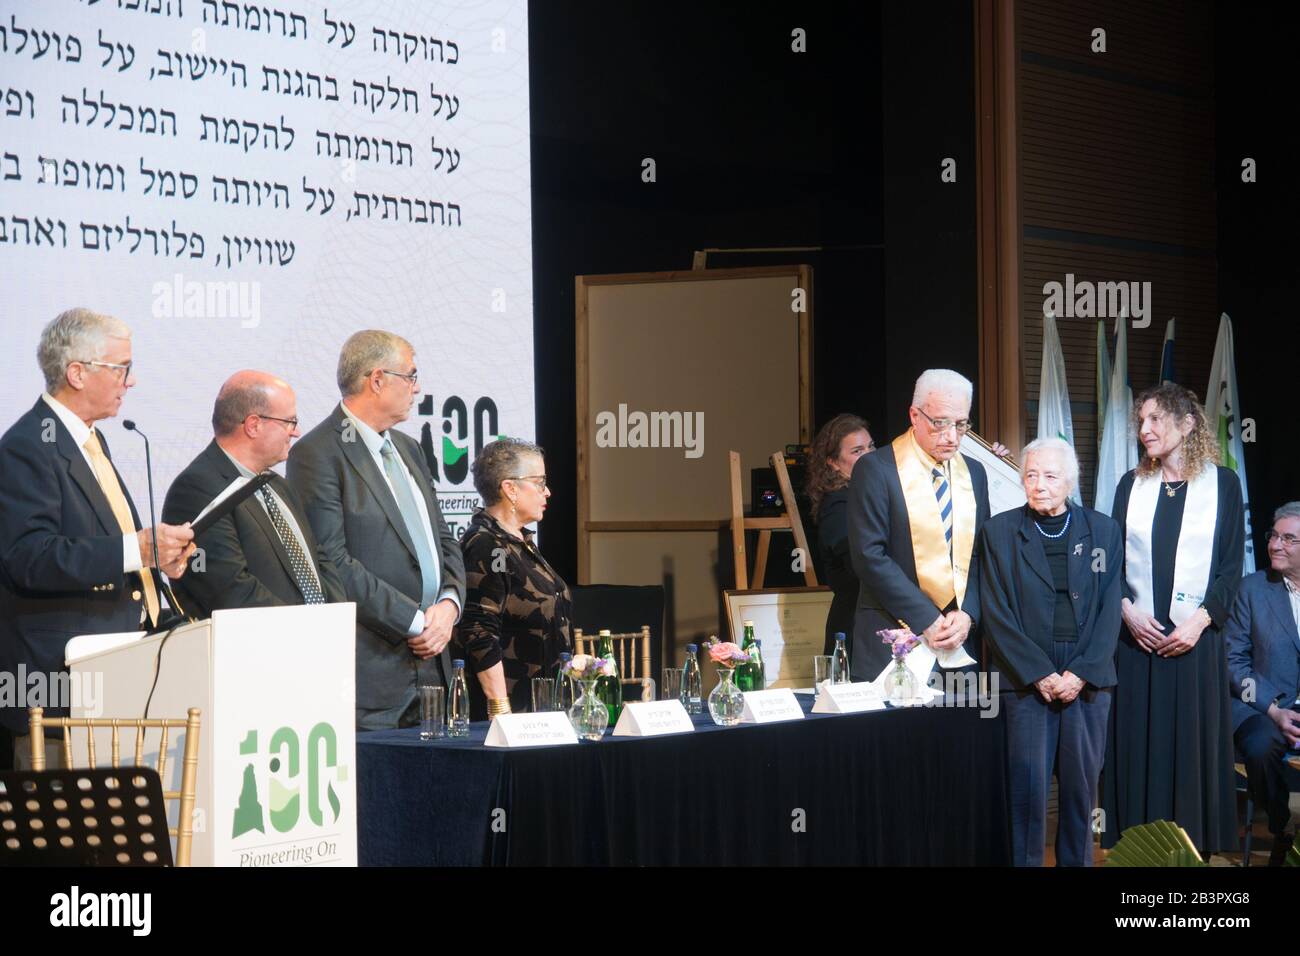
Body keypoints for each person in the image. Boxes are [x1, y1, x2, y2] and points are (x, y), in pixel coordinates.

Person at [0, 309, 194, 768]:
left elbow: (105, 544)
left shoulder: (90, 440)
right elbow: (29, 557)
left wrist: (155, 561)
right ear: (77, 373)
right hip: (57, 690)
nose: (131, 381)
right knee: (66, 837)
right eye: (121, 368)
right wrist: (137, 549)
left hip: (115, 676)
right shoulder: (27, 446)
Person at [288, 331, 466, 731]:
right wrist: (416, 621)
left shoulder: (408, 448)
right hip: (372, 677)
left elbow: (444, 538)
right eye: (411, 375)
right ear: (377, 379)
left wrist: (449, 607)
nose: (417, 388)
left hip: (435, 671)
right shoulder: (318, 453)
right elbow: (331, 562)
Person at [1101, 382, 1244, 855]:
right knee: (1139, 744)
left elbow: (1229, 569)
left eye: (1155, 419)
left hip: (1193, 643)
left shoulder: (1223, 484)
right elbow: (1111, 564)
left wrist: (1199, 622)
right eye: (1141, 421)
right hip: (1137, 640)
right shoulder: (1130, 485)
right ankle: (1136, 845)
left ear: (1187, 424)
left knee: (1188, 745)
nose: (1144, 430)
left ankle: (1189, 846)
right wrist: (1126, 610)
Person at [980, 438, 1123, 866]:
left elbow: (1109, 608)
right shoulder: (999, 532)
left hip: (1088, 676)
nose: (1038, 484)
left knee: (1081, 793)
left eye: (1050, 475)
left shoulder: (1103, 530)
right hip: (1026, 678)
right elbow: (995, 612)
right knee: (1027, 793)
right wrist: (1039, 673)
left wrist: (1080, 672)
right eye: (1030, 474)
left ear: (1071, 482)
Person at [846, 369, 995, 681]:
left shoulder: (975, 474)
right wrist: (927, 618)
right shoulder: (876, 469)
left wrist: (968, 614)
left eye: (961, 424)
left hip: (957, 641)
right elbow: (869, 556)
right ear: (914, 415)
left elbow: (980, 555)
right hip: (892, 635)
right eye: (940, 423)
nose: (952, 436)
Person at [162, 371, 345, 617]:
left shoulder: (278, 485)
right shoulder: (197, 489)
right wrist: (304, 628)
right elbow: (229, 588)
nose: (297, 431)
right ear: (254, 425)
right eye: (290, 421)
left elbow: (319, 560)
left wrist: (332, 619)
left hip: (316, 640)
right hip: (259, 647)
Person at [454, 438, 572, 720]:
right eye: (540, 482)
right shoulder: (486, 545)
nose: (548, 492)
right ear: (510, 488)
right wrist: (500, 709)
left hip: (543, 710)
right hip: (513, 717)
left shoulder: (520, 542)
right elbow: (478, 631)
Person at [1224, 502, 1300, 865]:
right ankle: (1282, 826)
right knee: (1259, 747)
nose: (1275, 545)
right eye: (1274, 535)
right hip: (1262, 705)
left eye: (1289, 538)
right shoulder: (1252, 589)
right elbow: (1233, 661)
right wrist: (1274, 709)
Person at [807, 414, 875, 657]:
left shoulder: (869, 494)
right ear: (833, 463)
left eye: (871, 446)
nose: (869, 455)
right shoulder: (838, 506)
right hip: (855, 629)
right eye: (857, 451)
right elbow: (862, 564)